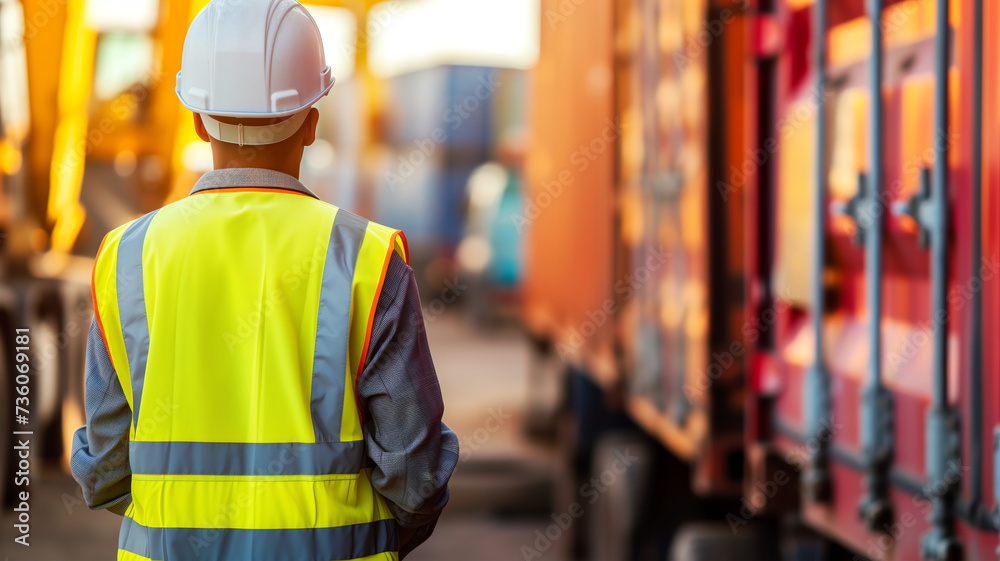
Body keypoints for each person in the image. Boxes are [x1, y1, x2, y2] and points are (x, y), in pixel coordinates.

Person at [70, 0, 458, 559]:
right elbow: (414, 476)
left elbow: (104, 472)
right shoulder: (367, 260)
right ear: (312, 123)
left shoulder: (126, 256)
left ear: (197, 119)